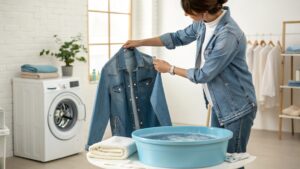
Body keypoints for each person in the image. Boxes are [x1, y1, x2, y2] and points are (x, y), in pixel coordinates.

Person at [124, 0, 256, 167]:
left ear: (205, 10)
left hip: (237, 107)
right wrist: (140, 42)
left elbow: (203, 75)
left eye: (189, 11)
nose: (186, 14)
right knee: (218, 159)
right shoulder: (202, 23)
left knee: (232, 161)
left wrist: (170, 68)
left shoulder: (228, 35)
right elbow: (176, 37)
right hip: (219, 104)